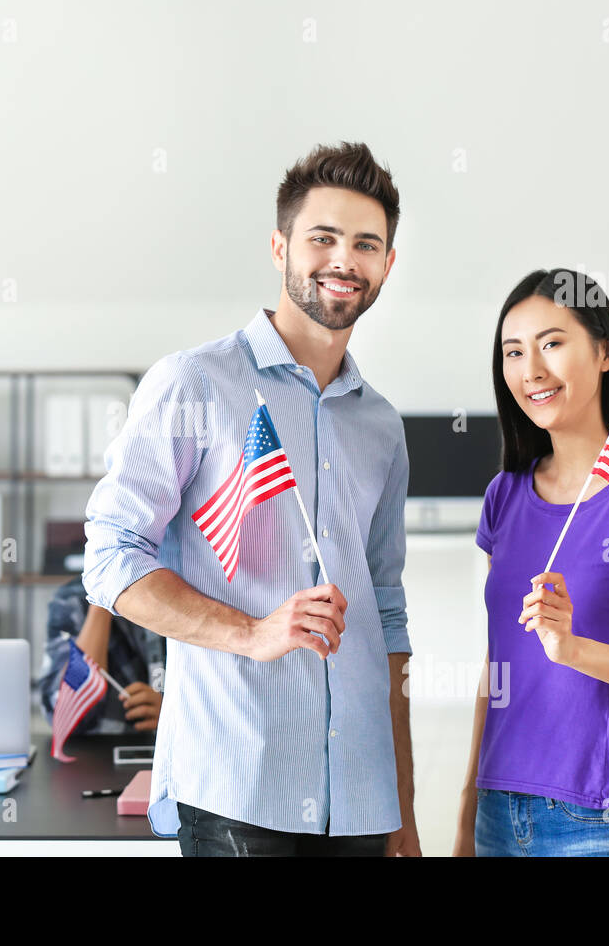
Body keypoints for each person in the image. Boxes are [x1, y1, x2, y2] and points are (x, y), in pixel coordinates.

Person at [83, 141, 418, 856]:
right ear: (279, 247)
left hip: (362, 800)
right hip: (238, 785)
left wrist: (404, 809)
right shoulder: (195, 384)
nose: (343, 259)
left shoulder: (383, 427)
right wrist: (252, 632)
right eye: (322, 237)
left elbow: (387, 614)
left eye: (366, 244)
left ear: (387, 263)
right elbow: (111, 556)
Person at [453, 269, 609, 857]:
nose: (531, 369)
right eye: (513, 352)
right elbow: (498, 665)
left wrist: (573, 649)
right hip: (498, 811)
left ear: (604, 353)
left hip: (598, 817)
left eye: (552, 343)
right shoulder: (505, 496)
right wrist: (468, 811)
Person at [36, 577, 165, 734]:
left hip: (182, 746)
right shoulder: (72, 598)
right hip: (101, 749)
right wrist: (101, 599)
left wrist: (171, 712)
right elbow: (66, 716)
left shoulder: (183, 593)